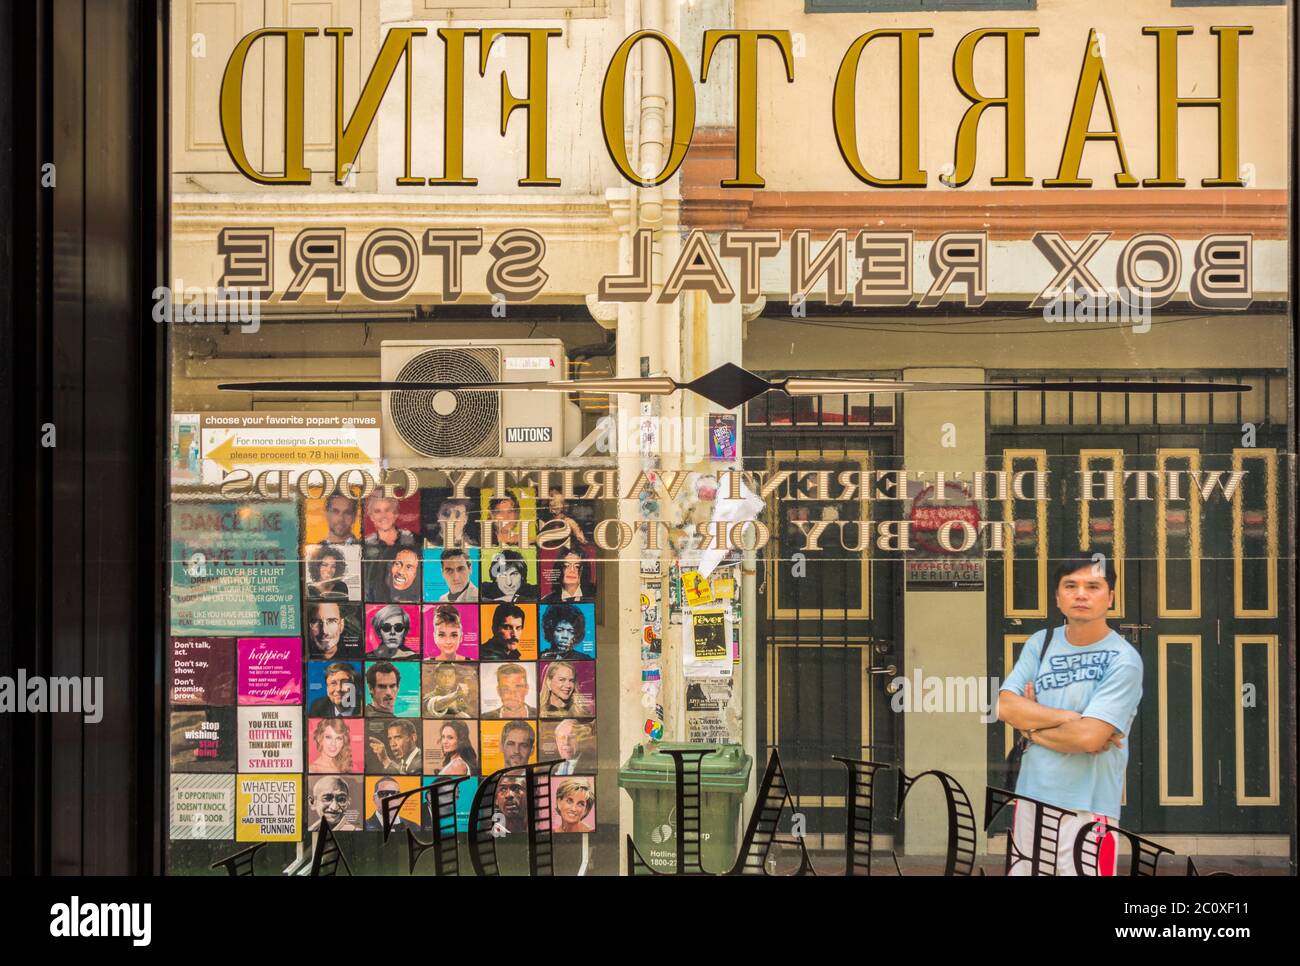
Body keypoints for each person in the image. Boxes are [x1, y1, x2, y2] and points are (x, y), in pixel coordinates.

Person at [997, 555, 1144, 877]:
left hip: (1089, 808)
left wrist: (1032, 728)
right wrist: (1068, 717)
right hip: (1031, 798)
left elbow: (1088, 738)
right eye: (1071, 586)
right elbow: (1006, 706)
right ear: (1057, 596)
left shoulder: (1123, 660)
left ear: (1111, 597)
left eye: (1093, 586)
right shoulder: (1042, 642)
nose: (1081, 594)